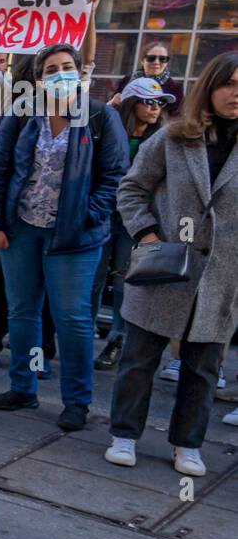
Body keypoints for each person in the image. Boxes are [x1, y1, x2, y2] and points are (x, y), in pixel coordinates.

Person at [0, 42, 129, 431]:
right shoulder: (21, 114)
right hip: (21, 230)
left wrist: (88, 216)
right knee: (22, 311)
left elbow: (115, 177)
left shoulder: (100, 116)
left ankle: (76, 401)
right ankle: (23, 387)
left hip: (75, 237)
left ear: (79, 73)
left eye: (67, 66)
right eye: (51, 69)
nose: (60, 73)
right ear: (37, 79)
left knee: (73, 318)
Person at [104, 52, 238, 477]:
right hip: (165, 265)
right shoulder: (176, 136)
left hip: (223, 273)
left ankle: (188, 443)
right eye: (228, 84)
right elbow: (131, 188)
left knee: (203, 366)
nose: (236, 93)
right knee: (140, 358)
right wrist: (147, 234)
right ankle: (124, 434)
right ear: (210, 88)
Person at [93, 77, 172, 371]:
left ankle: (117, 340)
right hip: (102, 214)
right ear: (131, 104)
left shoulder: (162, 140)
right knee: (93, 279)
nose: (155, 108)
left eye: (160, 103)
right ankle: (82, 334)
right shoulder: (108, 131)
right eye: (148, 101)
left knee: (124, 281)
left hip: (136, 220)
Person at [110, 41, 184, 118]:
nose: (156, 62)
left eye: (163, 59)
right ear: (142, 61)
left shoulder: (175, 89)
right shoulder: (126, 81)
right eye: (151, 58)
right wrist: (111, 103)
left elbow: (175, 118)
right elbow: (113, 110)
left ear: (167, 63)